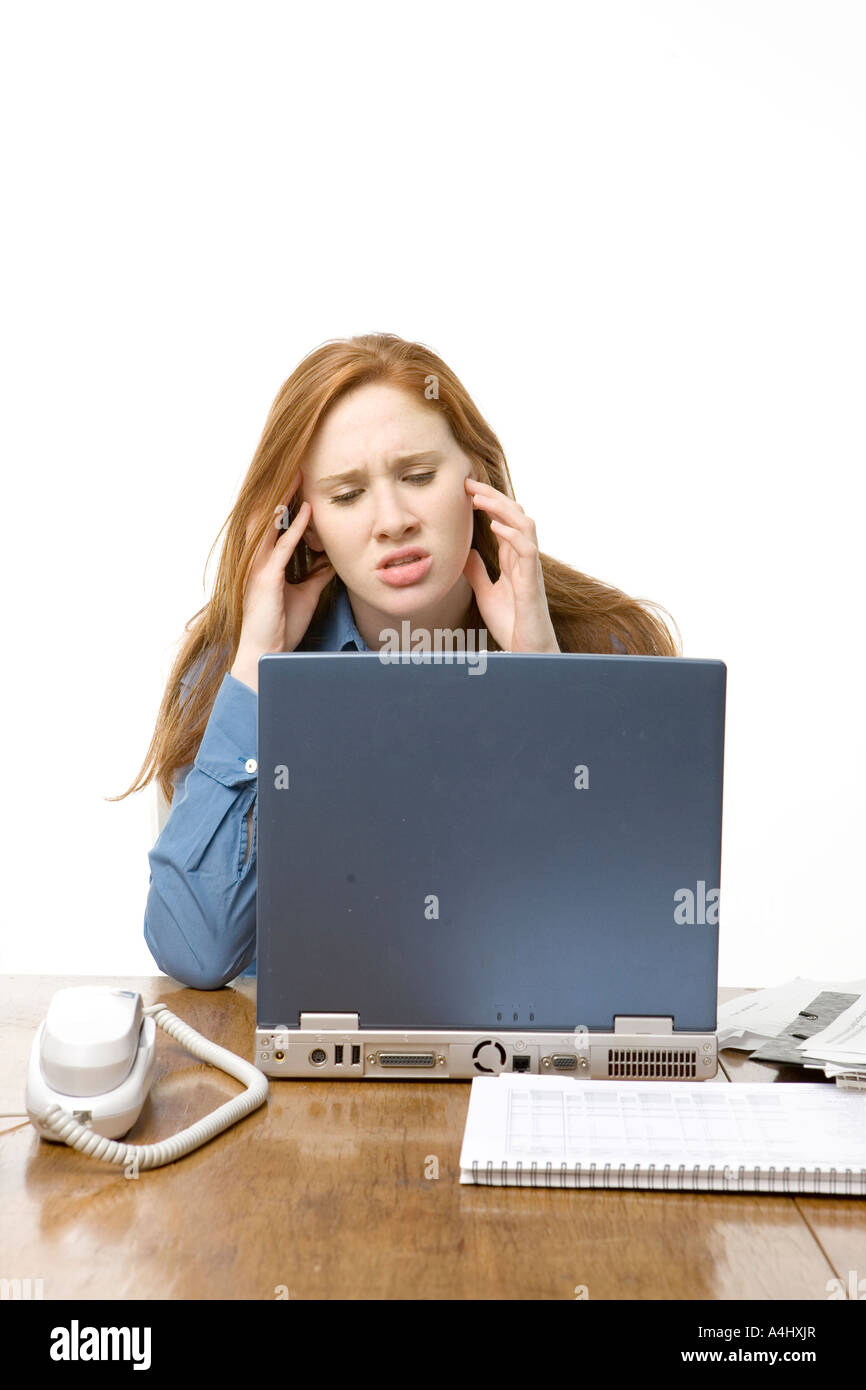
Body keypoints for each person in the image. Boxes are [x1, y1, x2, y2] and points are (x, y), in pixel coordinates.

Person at [108, 333, 681, 989]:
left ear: (477, 478)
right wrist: (258, 671)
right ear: (304, 522)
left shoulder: (612, 647)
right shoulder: (229, 672)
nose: (391, 520)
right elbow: (196, 950)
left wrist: (541, 684)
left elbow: (627, 943)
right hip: (316, 1077)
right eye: (347, 495)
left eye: (416, 477)